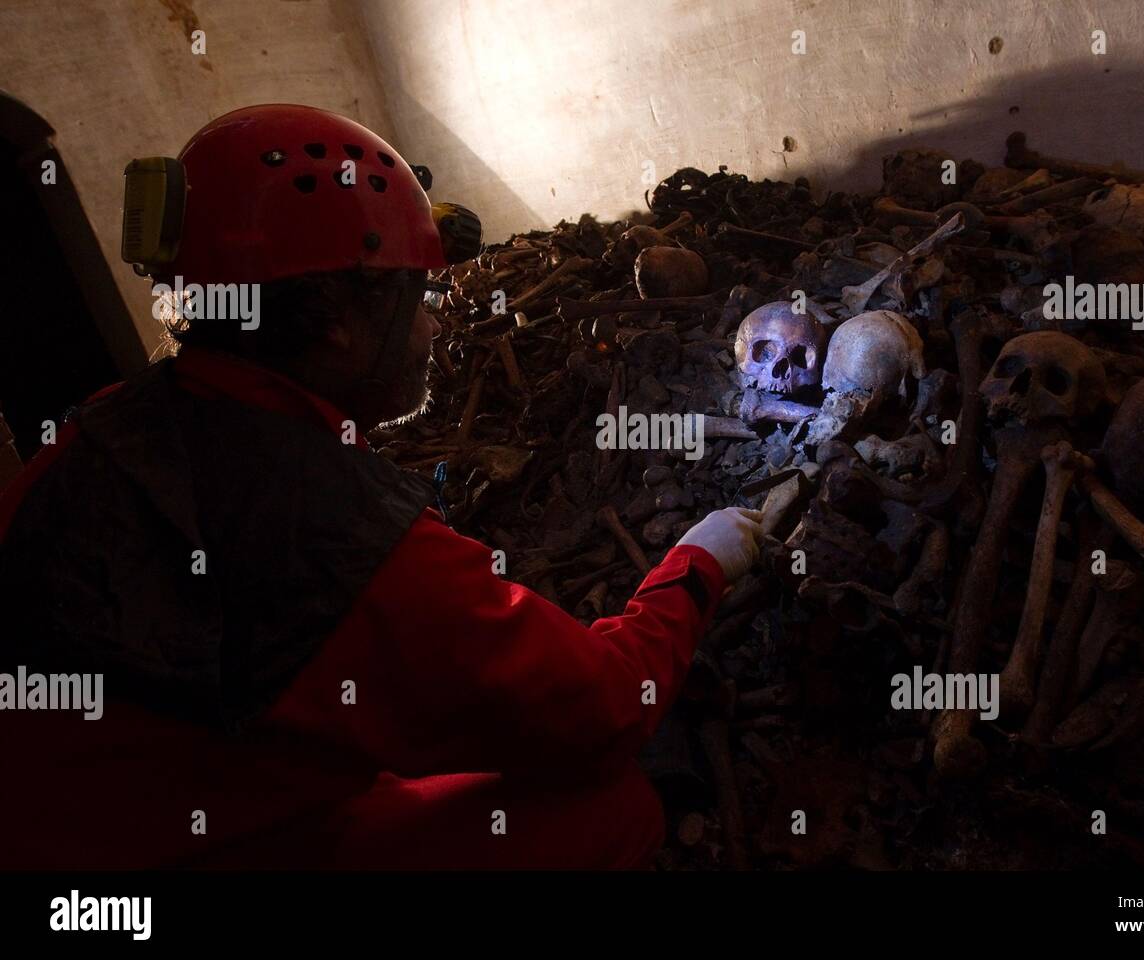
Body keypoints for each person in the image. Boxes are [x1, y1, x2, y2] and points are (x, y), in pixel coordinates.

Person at [0, 104, 762, 869]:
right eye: (418, 300)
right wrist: (697, 568)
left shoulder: (104, 429)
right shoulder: (345, 540)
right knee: (611, 807)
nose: (435, 330)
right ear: (335, 318)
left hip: (112, 828)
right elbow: (602, 711)